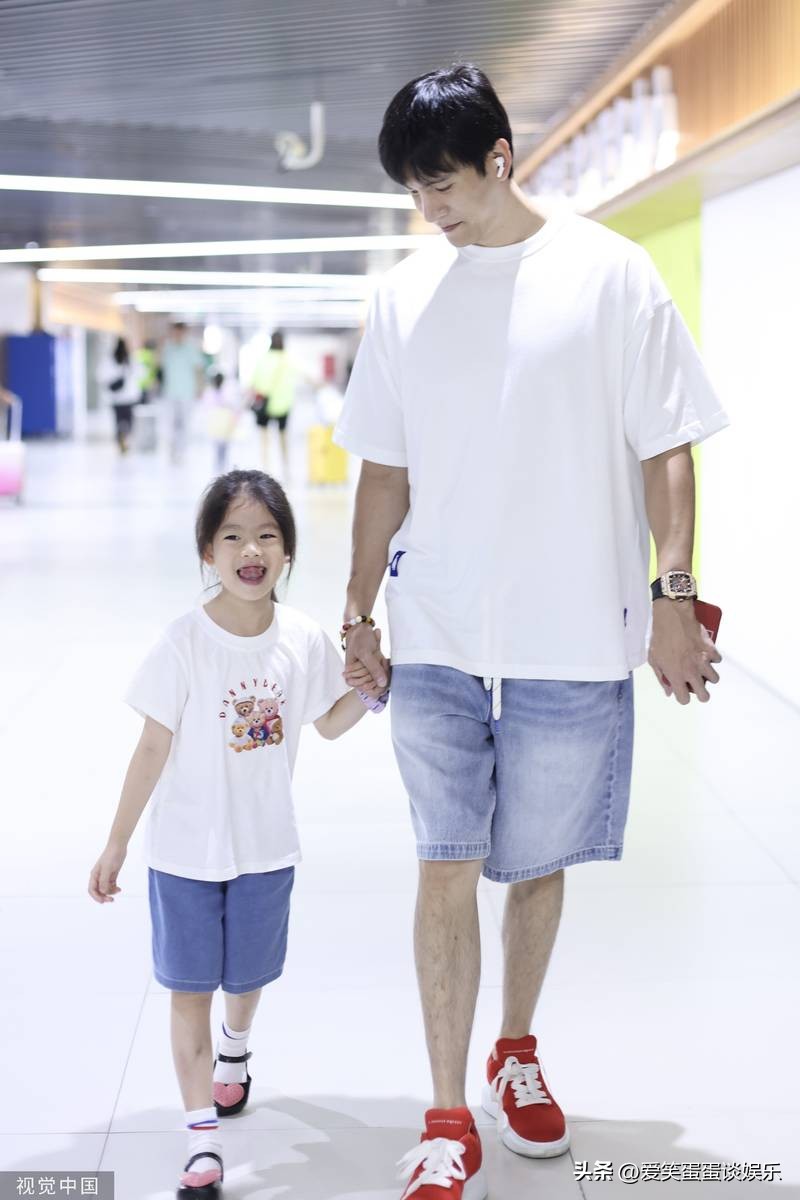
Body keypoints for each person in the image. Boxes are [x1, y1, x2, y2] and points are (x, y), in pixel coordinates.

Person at [334, 64, 728, 1200]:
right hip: (440, 627)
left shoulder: (610, 276)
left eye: (444, 184)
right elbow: (381, 471)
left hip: (572, 634)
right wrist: (357, 612)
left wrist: (671, 597)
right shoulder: (404, 296)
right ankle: (447, 1111)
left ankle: (514, 1047)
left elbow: (667, 447)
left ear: (501, 157)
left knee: (535, 860)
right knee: (444, 863)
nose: (430, 210)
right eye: (414, 192)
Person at [88, 469, 389, 1199]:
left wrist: (377, 689)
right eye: (232, 536)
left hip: (265, 849)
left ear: (286, 553)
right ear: (206, 552)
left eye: (266, 535)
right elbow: (151, 748)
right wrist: (118, 841)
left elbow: (328, 721)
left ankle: (235, 1051)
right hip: (184, 855)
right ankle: (201, 1138)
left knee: (246, 976)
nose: (250, 549)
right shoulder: (183, 643)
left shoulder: (302, 639)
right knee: (188, 987)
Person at [247, 330, 296, 476]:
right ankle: (286, 467)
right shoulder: (288, 359)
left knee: (264, 438)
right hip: (283, 404)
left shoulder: (263, 359)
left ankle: (265, 468)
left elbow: (254, 381)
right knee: (283, 437)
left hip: (265, 404)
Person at [161, 323, 205, 463]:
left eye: (179, 332)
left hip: (187, 392)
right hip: (170, 391)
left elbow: (198, 369)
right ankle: (172, 450)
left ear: (184, 332)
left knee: (185, 424)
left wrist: (199, 388)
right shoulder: (167, 348)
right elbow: (159, 366)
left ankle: (181, 451)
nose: (177, 335)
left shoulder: (191, 348)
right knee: (171, 423)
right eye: (174, 332)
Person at [96, 336, 140, 454]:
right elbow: (139, 374)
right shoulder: (130, 359)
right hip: (128, 398)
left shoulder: (111, 360)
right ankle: (124, 440)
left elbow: (101, 377)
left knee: (119, 421)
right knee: (128, 421)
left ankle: (122, 440)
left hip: (116, 398)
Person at [202, 371, 243, 474]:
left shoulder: (209, 393)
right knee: (224, 447)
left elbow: (206, 408)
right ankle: (222, 467)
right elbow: (234, 406)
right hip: (225, 423)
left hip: (215, 423)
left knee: (217, 447)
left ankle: (218, 467)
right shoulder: (227, 392)